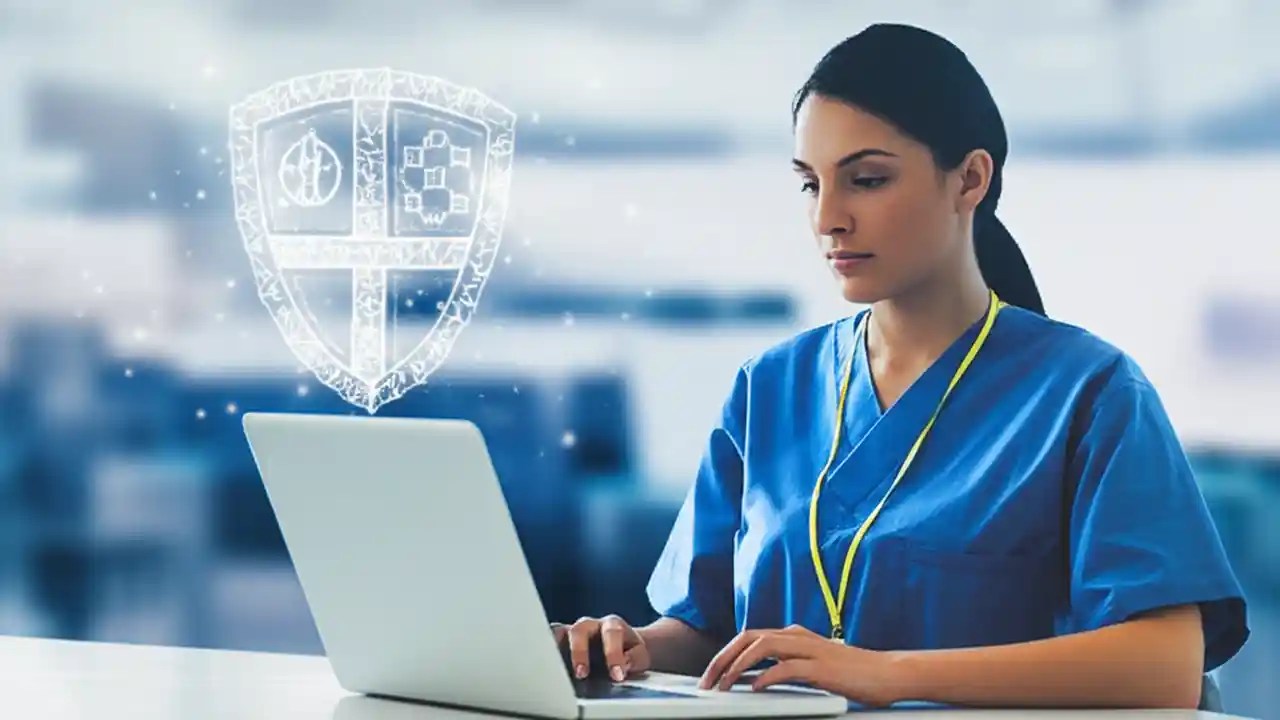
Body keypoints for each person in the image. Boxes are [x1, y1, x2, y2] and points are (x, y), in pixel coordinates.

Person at [551, 23, 1248, 710]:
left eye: (867, 179)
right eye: (809, 184)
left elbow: (1165, 666)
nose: (828, 217)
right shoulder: (768, 389)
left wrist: (887, 674)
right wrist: (626, 647)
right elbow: (706, 630)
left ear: (970, 179)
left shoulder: (1089, 395)